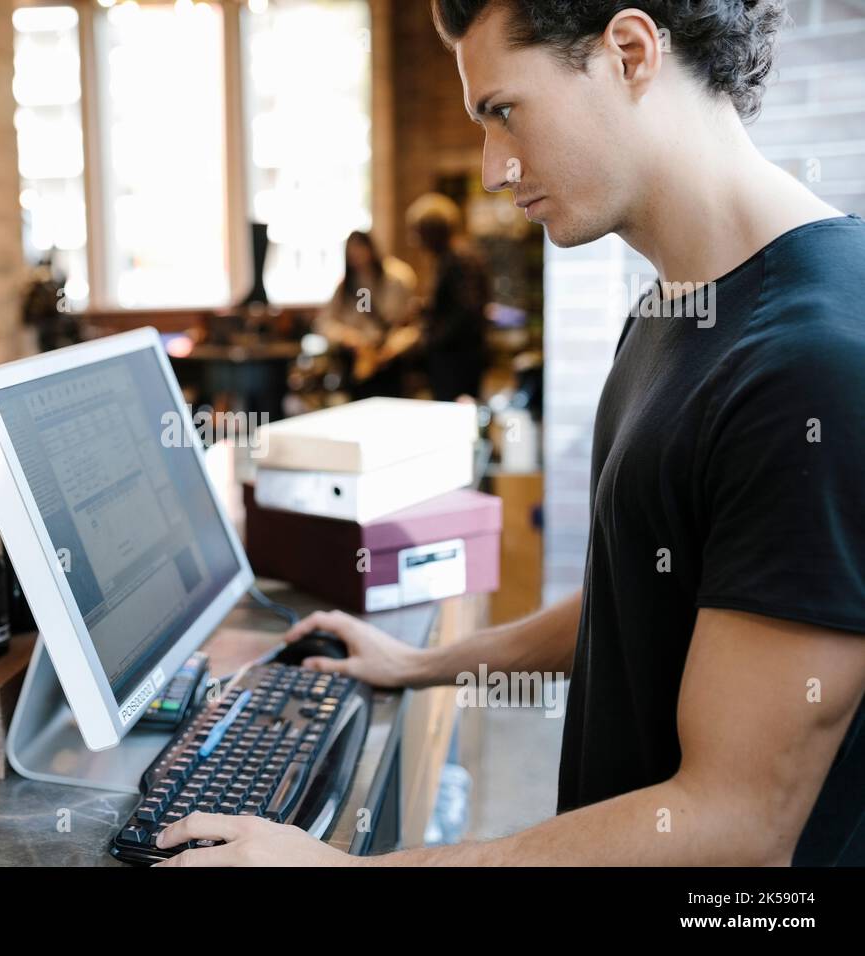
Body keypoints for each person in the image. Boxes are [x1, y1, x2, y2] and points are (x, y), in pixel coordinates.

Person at [152, 0, 865, 866]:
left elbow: (736, 824)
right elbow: (643, 586)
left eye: (502, 111)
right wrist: (429, 663)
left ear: (630, 53)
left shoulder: (815, 364)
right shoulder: (670, 310)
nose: (494, 169)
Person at [406, 192, 490, 401]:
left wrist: (430, 339)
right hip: (457, 355)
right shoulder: (455, 257)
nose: (416, 241)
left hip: (457, 359)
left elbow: (467, 310)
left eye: (420, 233)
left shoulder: (457, 259)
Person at [313, 230, 417, 398]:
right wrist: (349, 337)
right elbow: (325, 322)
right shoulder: (349, 285)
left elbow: (409, 321)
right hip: (359, 358)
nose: (358, 257)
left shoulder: (396, 279)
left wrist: (393, 346)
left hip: (389, 357)